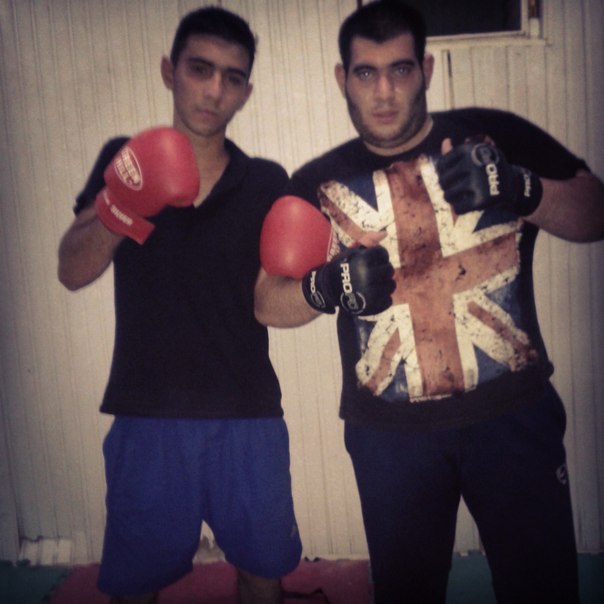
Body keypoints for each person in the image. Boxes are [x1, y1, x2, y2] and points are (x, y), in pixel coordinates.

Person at [255, 1, 604, 602]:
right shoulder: (316, 181)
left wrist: (521, 187)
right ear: (342, 79)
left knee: (544, 589)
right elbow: (266, 301)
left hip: (514, 417)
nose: (384, 91)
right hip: (390, 437)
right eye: (366, 73)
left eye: (400, 69)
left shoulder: (495, 136)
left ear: (427, 69)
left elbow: (595, 212)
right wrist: (324, 287)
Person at [58, 7, 302, 604]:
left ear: (246, 92)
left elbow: (272, 299)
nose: (215, 90)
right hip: (148, 413)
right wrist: (124, 203)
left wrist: (330, 287)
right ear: (170, 71)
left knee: (263, 573)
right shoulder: (124, 157)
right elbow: (72, 270)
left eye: (232, 78)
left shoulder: (266, 181)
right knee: (136, 585)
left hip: (247, 413)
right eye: (200, 69)